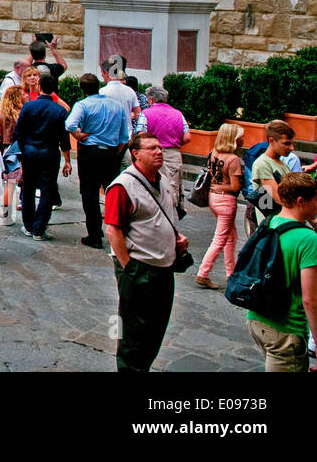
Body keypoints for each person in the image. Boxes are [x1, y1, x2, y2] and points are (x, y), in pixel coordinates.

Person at [105, 132, 187, 372]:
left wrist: (176, 239)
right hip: (138, 266)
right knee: (133, 329)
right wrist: (128, 266)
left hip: (163, 266)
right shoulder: (123, 186)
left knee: (156, 327)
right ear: (135, 154)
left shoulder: (163, 179)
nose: (159, 152)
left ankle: (143, 368)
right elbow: (113, 230)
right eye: (152, 148)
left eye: (160, 147)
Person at [246, 172, 317, 372]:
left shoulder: (271, 222)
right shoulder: (308, 240)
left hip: (257, 319)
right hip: (286, 329)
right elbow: (310, 300)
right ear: (302, 201)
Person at [65, 73, 133, 249]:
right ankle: (118, 230)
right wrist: (116, 153)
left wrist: (78, 135)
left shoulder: (83, 105)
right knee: (112, 193)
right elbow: (124, 137)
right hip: (110, 153)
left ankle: (94, 235)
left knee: (90, 194)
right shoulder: (117, 107)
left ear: (82, 88)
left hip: (90, 152)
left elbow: (70, 124)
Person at [15, 72, 72, 240]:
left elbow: (19, 132)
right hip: (50, 153)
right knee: (47, 189)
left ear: (39, 88)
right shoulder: (60, 111)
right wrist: (67, 160)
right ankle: (39, 228)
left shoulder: (28, 107)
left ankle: (28, 225)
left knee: (28, 188)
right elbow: (64, 139)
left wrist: (21, 155)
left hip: (30, 151)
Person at [194, 123, 245, 290]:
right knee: (220, 239)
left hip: (213, 198)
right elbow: (236, 187)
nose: (243, 139)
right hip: (226, 201)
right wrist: (224, 187)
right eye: (240, 137)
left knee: (230, 237)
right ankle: (203, 272)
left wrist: (217, 187)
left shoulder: (214, 153)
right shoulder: (233, 159)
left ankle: (231, 273)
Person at [134, 85, 191, 218]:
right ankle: (169, 217)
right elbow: (187, 137)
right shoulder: (178, 113)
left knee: (150, 185)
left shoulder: (146, 113)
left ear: (151, 100)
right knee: (172, 187)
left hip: (151, 153)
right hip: (173, 154)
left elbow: (141, 134)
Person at [0, 85, 25, 226]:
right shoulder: (22, 115)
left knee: (10, 183)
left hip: (8, 152)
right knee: (19, 183)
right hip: (19, 151)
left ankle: (5, 215)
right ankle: (6, 215)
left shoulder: (3, 115)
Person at [99, 55, 141, 121]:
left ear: (107, 73)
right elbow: (138, 114)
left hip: (109, 130)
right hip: (127, 130)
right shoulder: (130, 91)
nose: (101, 75)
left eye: (102, 72)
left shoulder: (102, 92)